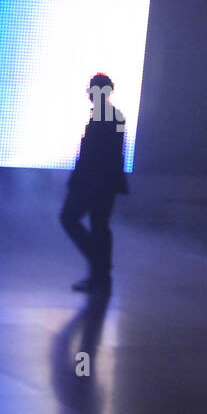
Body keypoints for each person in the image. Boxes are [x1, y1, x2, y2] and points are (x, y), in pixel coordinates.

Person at [60, 72, 128, 294]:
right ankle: (101, 273)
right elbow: (116, 153)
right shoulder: (113, 116)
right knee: (99, 227)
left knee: (75, 220)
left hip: (94, 182)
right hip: (104, 183)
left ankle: (99, 269)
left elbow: (95, 155)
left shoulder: (105, 117)